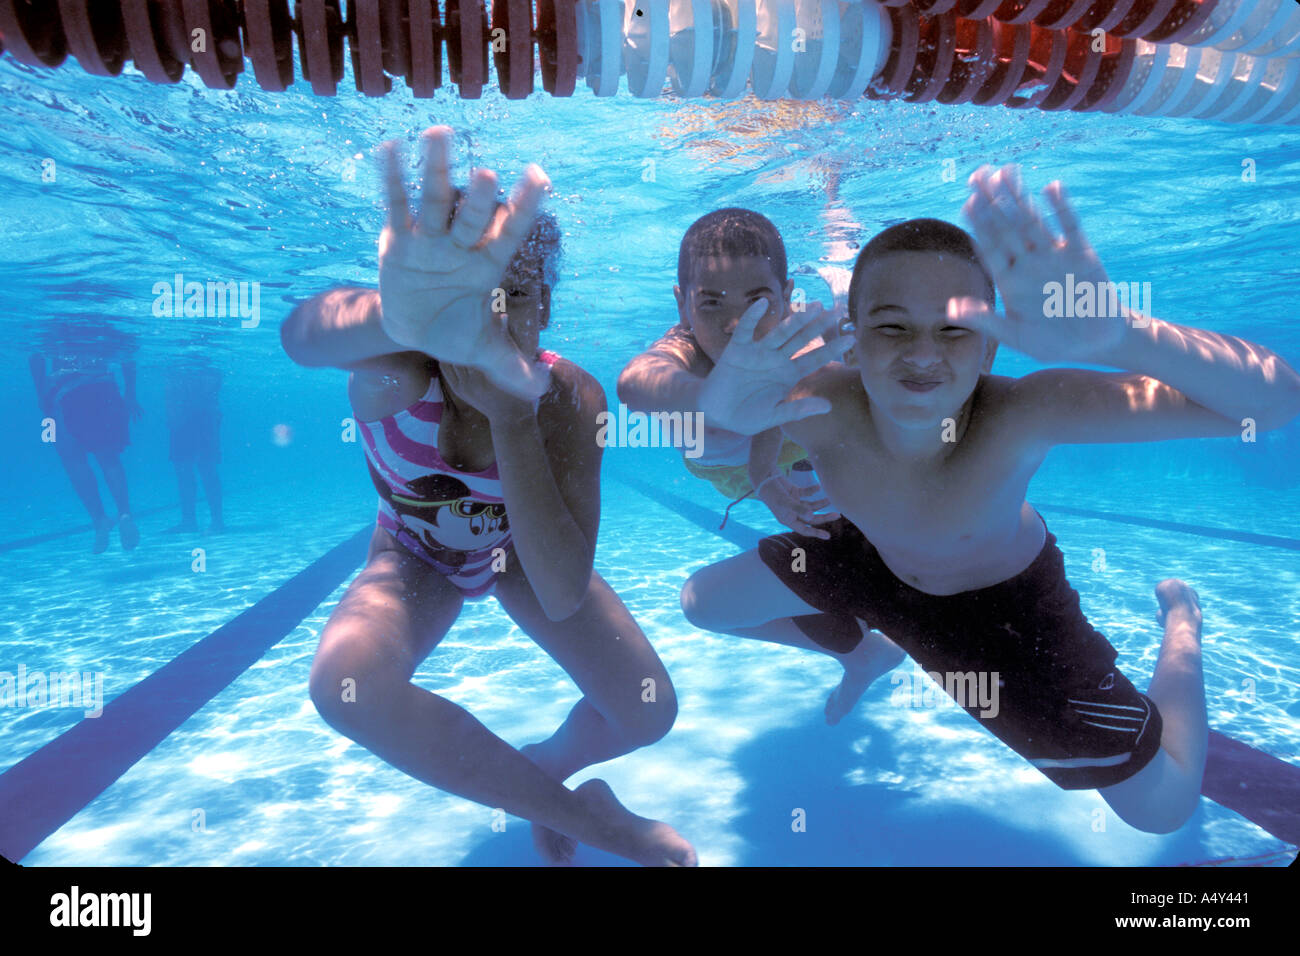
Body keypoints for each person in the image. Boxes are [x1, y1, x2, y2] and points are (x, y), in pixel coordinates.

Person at [680, 165, 1300, 834]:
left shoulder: (1023, 414)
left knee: (1162, 808)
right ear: (852, 339)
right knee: (703, 604)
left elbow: (1273, 402)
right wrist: (768, 477)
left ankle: (1182, 625)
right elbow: (766, 419)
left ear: (991, 348)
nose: (923, 354)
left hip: (1001, 611)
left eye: (953, 329)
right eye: (892, 328)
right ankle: (866, 652)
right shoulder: (819, 398)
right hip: (868, 559)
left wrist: (1121, 334)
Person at [281, 127, 695, 866]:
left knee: (647, 711)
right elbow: (301, 335)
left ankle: (547, 772)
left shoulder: (569, 400)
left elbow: (562, 589)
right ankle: (597, 824)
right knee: (346, 683)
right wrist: (396, 315)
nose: (494, 316)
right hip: (416, 558)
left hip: (517, 559)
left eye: (519, 297)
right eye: (476, 295)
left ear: (550, 310)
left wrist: (512, 416)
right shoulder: (401, 371)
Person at [616, 208, 849, 529]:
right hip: (724, 469)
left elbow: (772, 395)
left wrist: (764, 470)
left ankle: (845, 307)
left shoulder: (791, 333)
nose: (736, 324)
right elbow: (634, 381)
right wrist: (709, 398)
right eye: (712, 302)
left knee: (827, 368)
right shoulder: (686, 346)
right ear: (682, 305)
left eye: (759, 301)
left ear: (784, 296)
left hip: (787, 444)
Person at [30, 345, 141, 553]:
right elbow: (128, 353)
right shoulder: (100, 322)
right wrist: (130, 392)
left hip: (68, 390)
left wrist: (41, 394)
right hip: (105, 389)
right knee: (109, 458)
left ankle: (99, 520)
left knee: (74, 461)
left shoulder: (57, 325)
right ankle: (125, 513)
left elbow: (36, 357)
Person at [163, 356, 225, 535]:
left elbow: (209, 391)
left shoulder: (205, 368)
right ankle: (190, 521)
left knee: (205, 470)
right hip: (186, 421)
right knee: (186, 471)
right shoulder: (182, 368)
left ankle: (216, 521)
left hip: (199, 420)